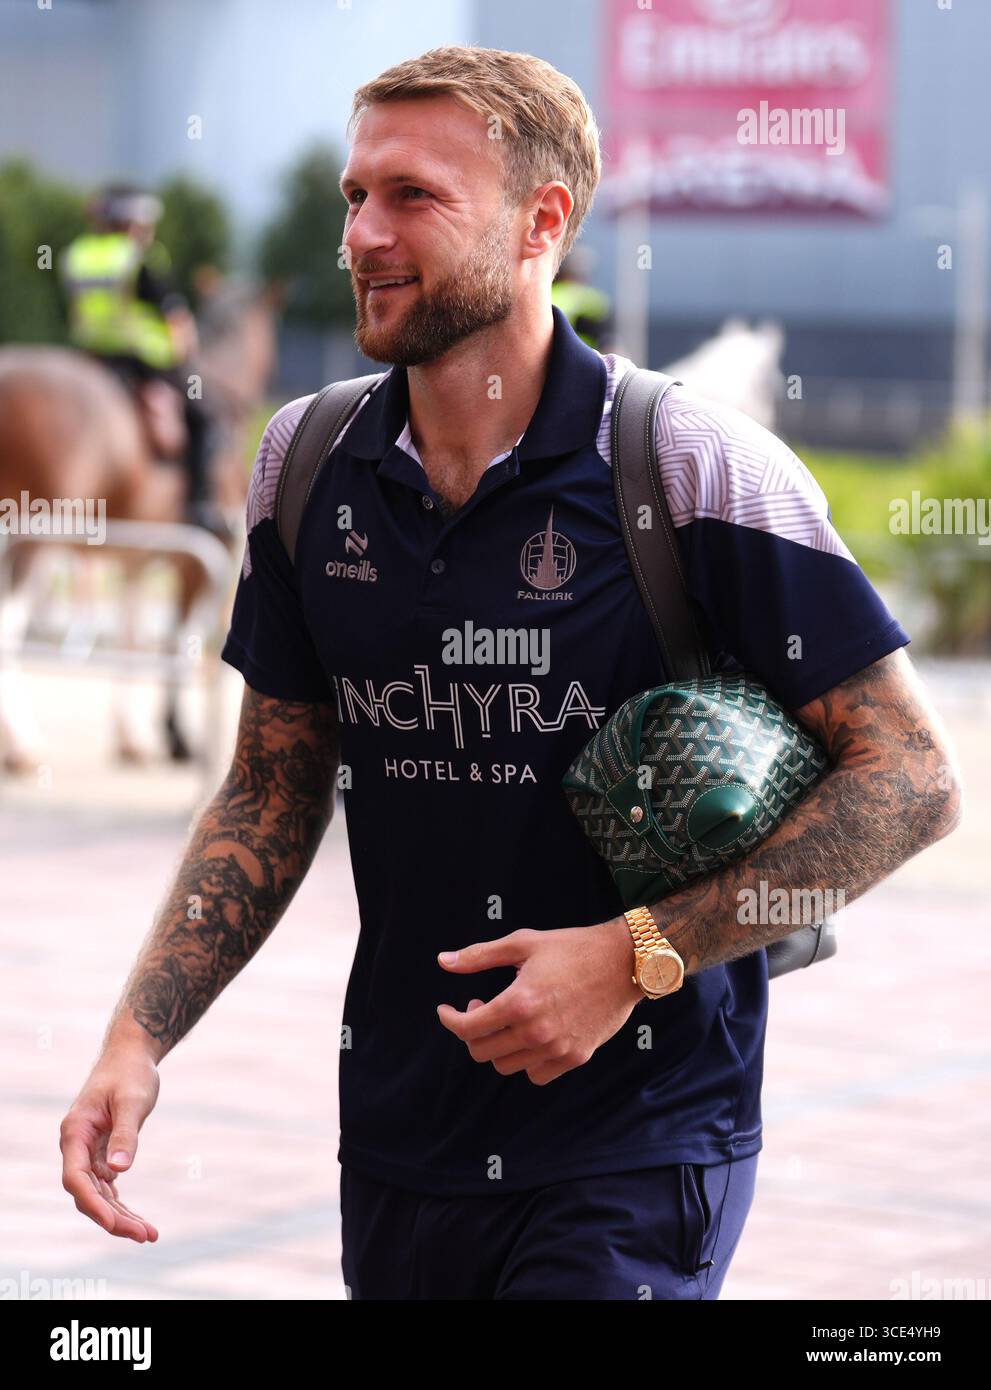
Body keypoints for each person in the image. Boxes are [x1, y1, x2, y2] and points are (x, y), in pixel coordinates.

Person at [59, 47, 962, 1300]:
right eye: (352, 195)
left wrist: (637, 953)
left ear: (544, 221)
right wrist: (138, 1036)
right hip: (398, 1141)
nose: (363, 234)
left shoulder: (692, 467)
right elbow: (270, 790)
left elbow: (911, 782)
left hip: (637, 1146)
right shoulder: (303, 465)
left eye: (412, 197)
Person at [59, 184, 227, 539]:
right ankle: (200, 507)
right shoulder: (137, 259)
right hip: (142, 360)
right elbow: (175, 320)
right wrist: (187, 353)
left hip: (90, 359)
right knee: (205, 418)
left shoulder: (78, 255)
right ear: (135, 223)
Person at [550, 245, 614, 350]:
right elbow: (608, 341)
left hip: (558, 356)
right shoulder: (596, 299)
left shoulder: (550, 295)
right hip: (588, 359)